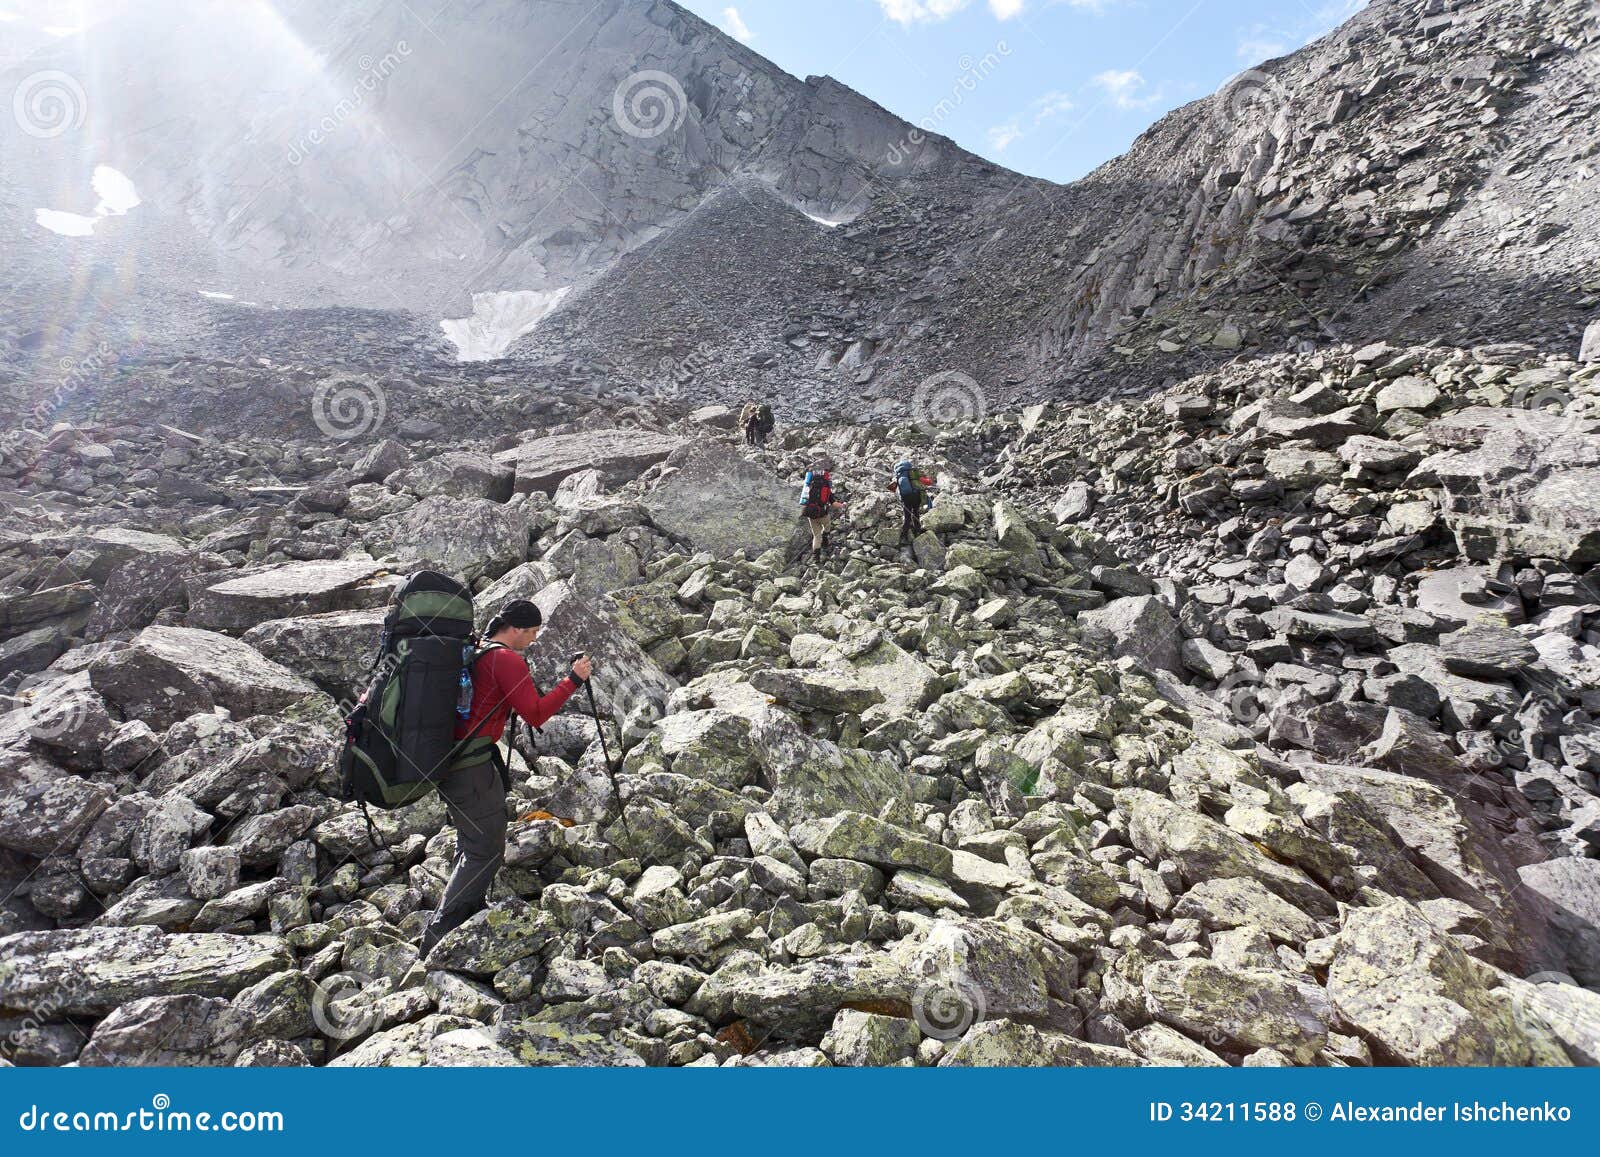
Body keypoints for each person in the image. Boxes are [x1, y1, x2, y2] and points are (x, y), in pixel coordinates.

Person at [419, 599, 594, 955]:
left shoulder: (480, 651)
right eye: (531, 632)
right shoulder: (507, 659)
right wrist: (574, 679)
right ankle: (439, 935)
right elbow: (536, 714)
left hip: (451, 761)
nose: (533, 639)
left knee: (473, 840)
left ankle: (467, 908)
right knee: (486, 850)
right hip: (470, 766)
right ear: (514, 629)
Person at [798, 460, 843, 560]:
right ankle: (826, 538)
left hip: (811, 515)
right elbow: (834, 504)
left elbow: (804, 500)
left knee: (816, 536)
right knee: (827, 527)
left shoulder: (808, 487)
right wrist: (843, 505)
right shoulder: (826, 490)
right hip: (823, 514)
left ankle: (816, 557)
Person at [892, 459, 936, 545]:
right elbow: (927, 482)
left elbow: (892, 487)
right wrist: (929, 480)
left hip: (905, 498)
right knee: (915, 512)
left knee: (907, 516)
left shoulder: (898, 475)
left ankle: (904, 535)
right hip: (916, 496)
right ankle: (917, 531)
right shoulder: (913, 472)